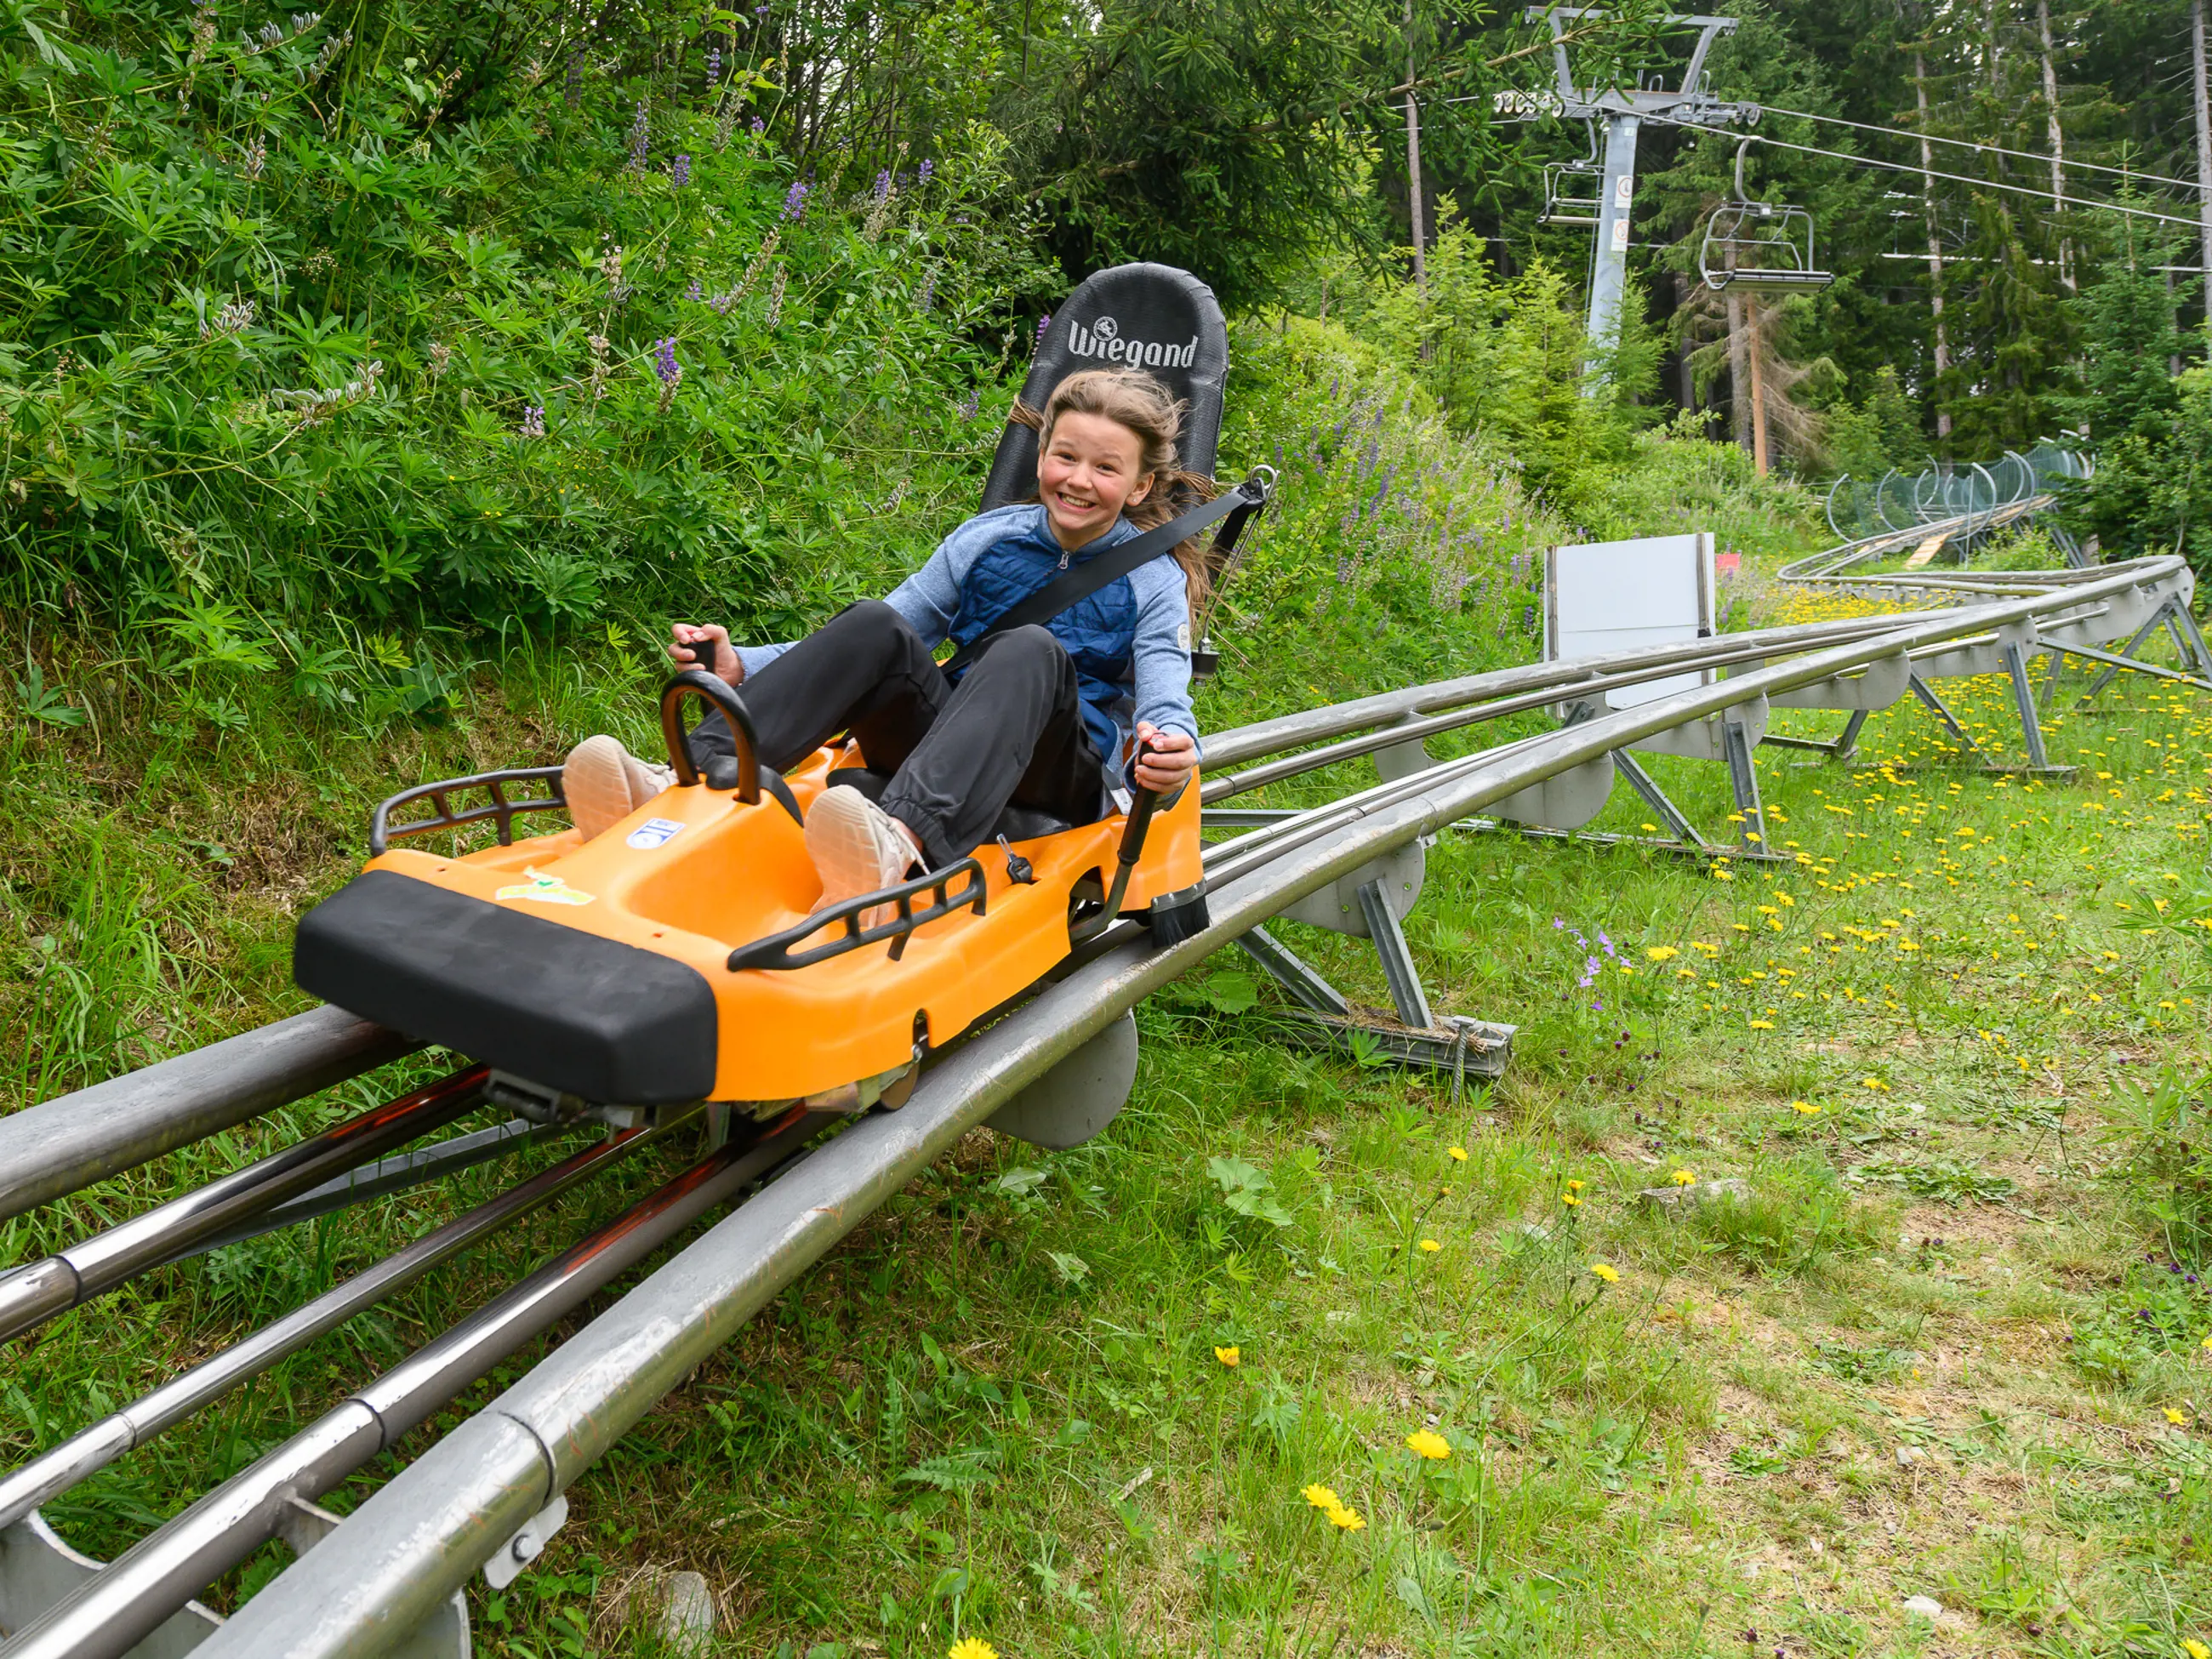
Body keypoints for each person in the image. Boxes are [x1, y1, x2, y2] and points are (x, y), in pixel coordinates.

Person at [563, 366, 1209, 919]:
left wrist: (1173, 747)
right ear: (1042, 455)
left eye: (1106, 468)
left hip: (1057, 772)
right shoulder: (988, 538)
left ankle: (896, 843)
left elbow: (1164, 695)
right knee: (876, 620)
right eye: (1065, 456)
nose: (1078, 480)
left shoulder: (1153, 579)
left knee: (1030, 647)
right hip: (953, 743)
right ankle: (688, 781)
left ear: (1139, 486)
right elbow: (884, 636)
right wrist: (742, 664)